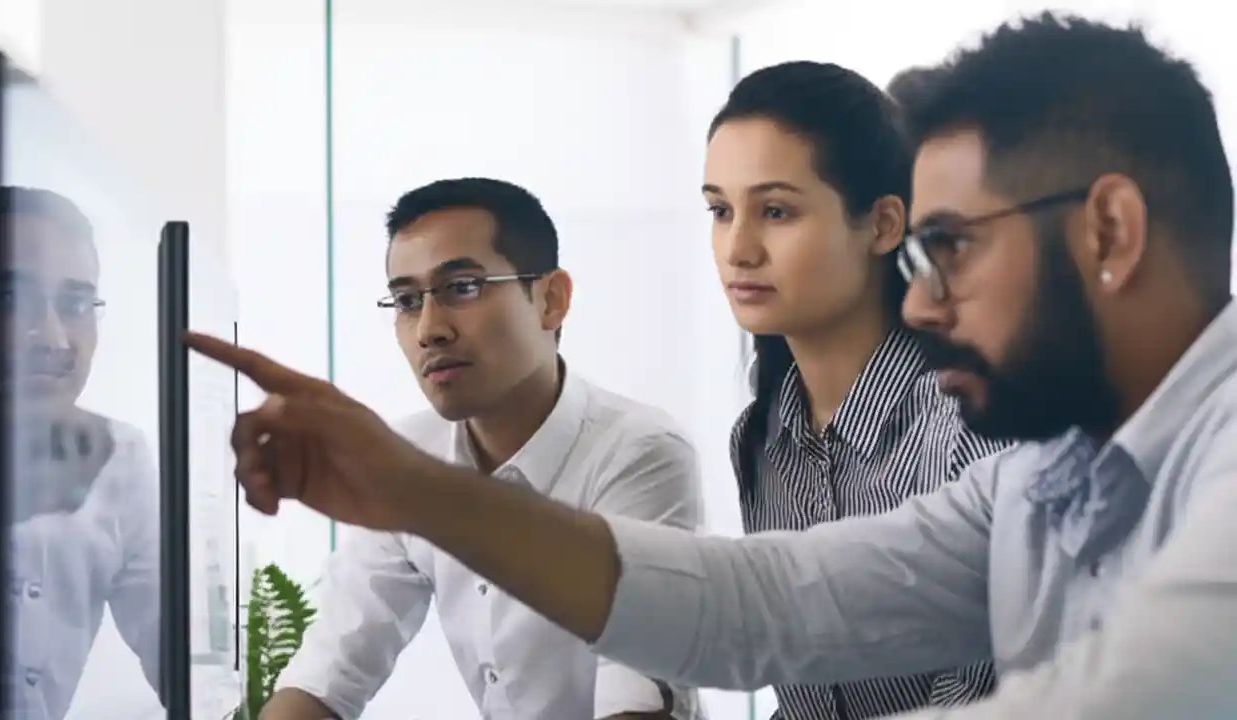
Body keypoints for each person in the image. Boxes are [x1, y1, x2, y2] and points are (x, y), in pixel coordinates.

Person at [189, 13, 1237, 719]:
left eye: (947, 246)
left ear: (1108, 229)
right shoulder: (1039, 475)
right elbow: (767, 605)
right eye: (718, 211)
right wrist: (414, 488)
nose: (919, 301)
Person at [261, 178, 704, 720]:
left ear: (551, 299)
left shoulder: (639, 455)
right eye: (406, 301)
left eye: (463, 287)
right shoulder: (408, 456)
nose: (428, 330)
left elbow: (635, 701)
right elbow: (328, 673)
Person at [704, 61, 1007, 719]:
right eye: (720, 211)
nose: (737, 248)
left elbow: (983, 692)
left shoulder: (967, 424)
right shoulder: (761, 438)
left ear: (883, 224)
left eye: (776, 211)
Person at [2, 186, 161, 719]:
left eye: (74, 304)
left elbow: (183, 655)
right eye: (9, 300)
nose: (50, 337)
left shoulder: (120, 459)